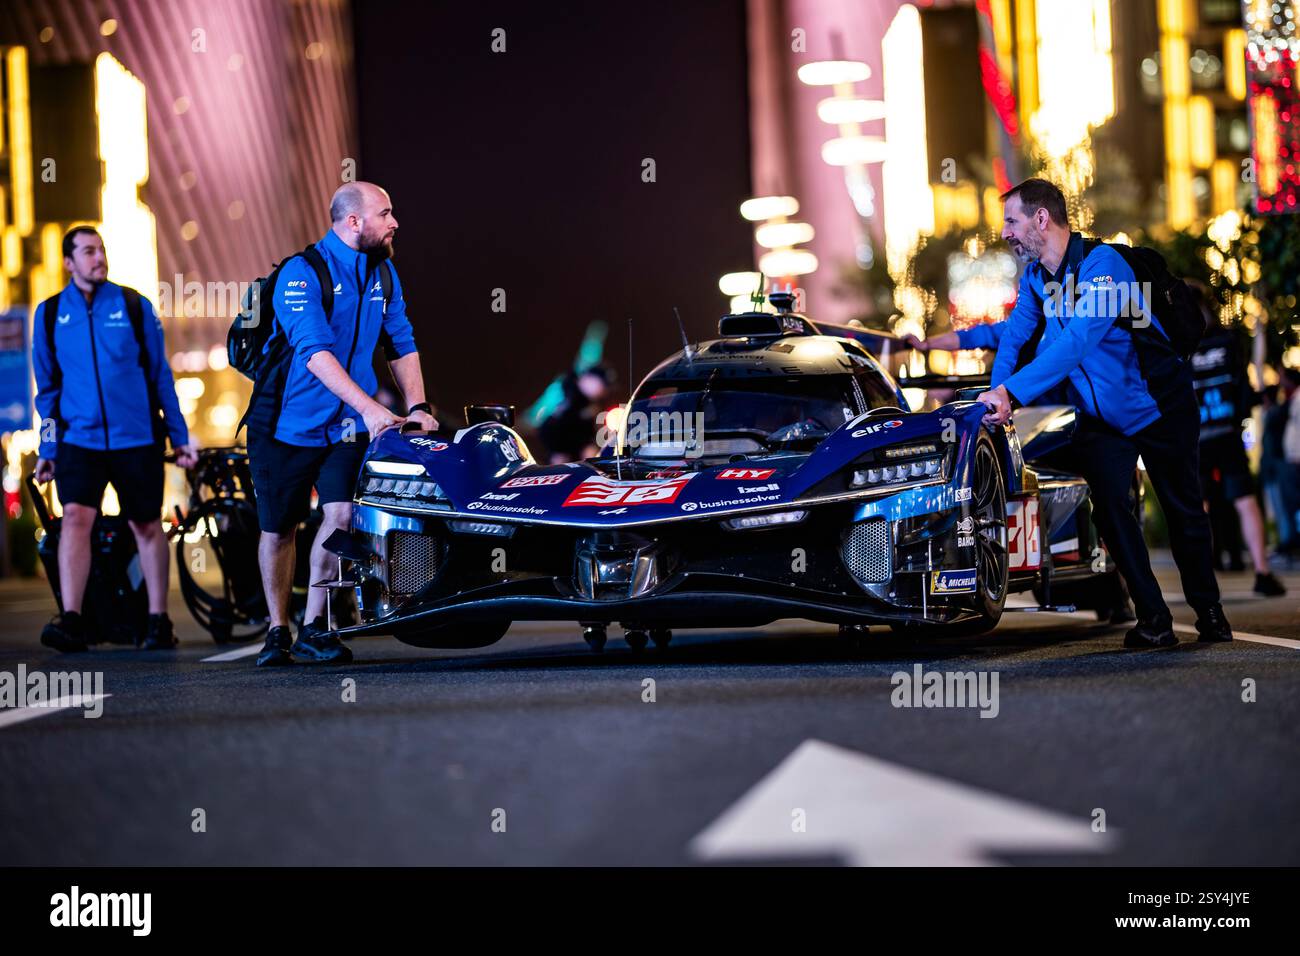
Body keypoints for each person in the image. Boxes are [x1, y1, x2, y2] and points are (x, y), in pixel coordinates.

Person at [976, 178, 1232, 647]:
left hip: (1160, 405)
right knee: (1112, 511)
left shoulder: (1104, 266)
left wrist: (1012, 394)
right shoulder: (1036, 279)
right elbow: (1015, 337)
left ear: (1041, 218)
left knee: (1183, 512)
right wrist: (996, 397)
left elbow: (1077, 343)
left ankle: (1209, 611)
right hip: (1102, 419)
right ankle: (1154, 620)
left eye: (1011, 221)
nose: (1006, 232)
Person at [246, 182, 438, 667]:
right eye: (386, 213)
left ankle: (315, 624)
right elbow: (315, 352)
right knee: (279, 529)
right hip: (284, 423)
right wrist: (372, 408)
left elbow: (402, 342)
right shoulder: (300, 273)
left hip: (345, 426)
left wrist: (416, 407)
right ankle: (276, 630)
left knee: (343, 516)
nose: (395, 223)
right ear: (353, 221)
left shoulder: (384, 273)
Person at [33, 226, 197, 652]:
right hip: (78, 441)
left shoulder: (134, 306)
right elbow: (47, 392)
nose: (98, 258)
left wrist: (180, 437)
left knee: (146, 524)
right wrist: (49, 449)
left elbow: (161, 377)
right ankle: (72, 620)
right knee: (75, 520)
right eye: (88, 252)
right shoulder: (50, 315)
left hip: (136, 438)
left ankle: (157, 620)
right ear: (69, 262)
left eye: (101, 250)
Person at [1189, 308, 1285, 595]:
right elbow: (1246, 379)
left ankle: (1201, 579)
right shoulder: (1228, 341)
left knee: (1196, 507)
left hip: (1196, 437)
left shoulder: (1178, 343)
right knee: (1245, 501)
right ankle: (1262, 571)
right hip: (1227, 433)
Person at [538, 365, 612, 463]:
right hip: (558, 451)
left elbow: (585, 433)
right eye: (601, 384)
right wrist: (559, 451)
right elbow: (549, 426)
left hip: (574, 452)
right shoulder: (566, 391)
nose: (603, 391)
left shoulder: (588, 404)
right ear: (589, 378)